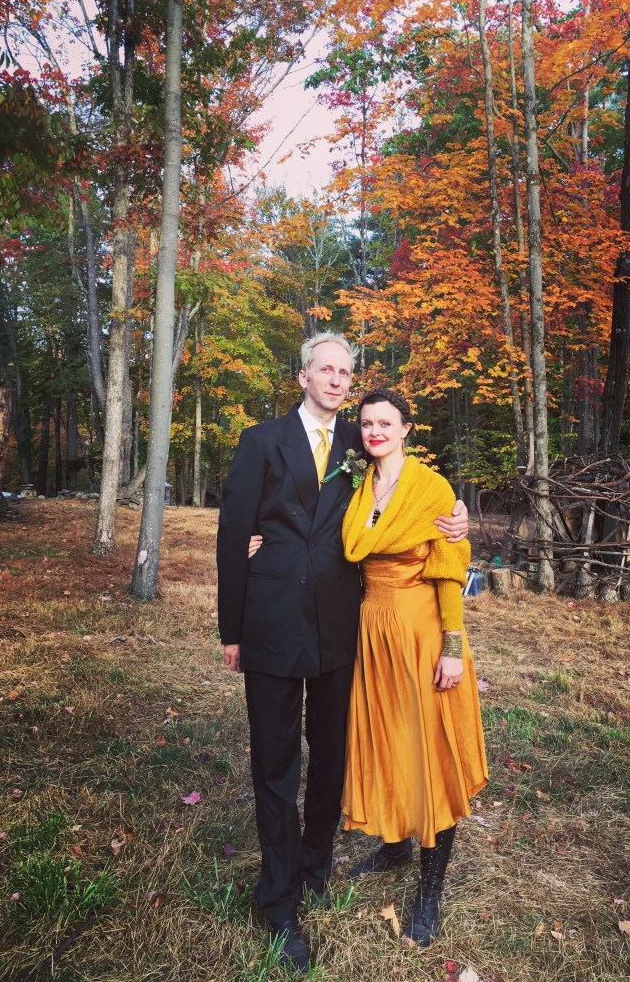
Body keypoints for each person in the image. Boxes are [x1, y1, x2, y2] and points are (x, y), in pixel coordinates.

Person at [217, 332, 468, 972]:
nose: (335, 379)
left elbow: (410, 492)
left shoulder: (364, 445)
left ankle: (315, 867)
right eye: (324, 370)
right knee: (277, 765)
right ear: (302, 377)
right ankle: (277, 902)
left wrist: (460, 519)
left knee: (332, 757)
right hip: (272, 624)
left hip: (340, 630)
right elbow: (230, 537)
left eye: (345, 372)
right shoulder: (261, 441)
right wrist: (232, 630)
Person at [339, 387, 488, 947]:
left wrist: (453, 644)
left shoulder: (432, 488)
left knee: (429, 751)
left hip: (422, 629)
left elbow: (448, 569)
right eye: (367, 423)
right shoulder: (356, 484)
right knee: (386, 739)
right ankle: (396, 844)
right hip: (372, 630)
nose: (375, 431)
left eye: (386, 423)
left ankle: (429, 890)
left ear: (406, 429)